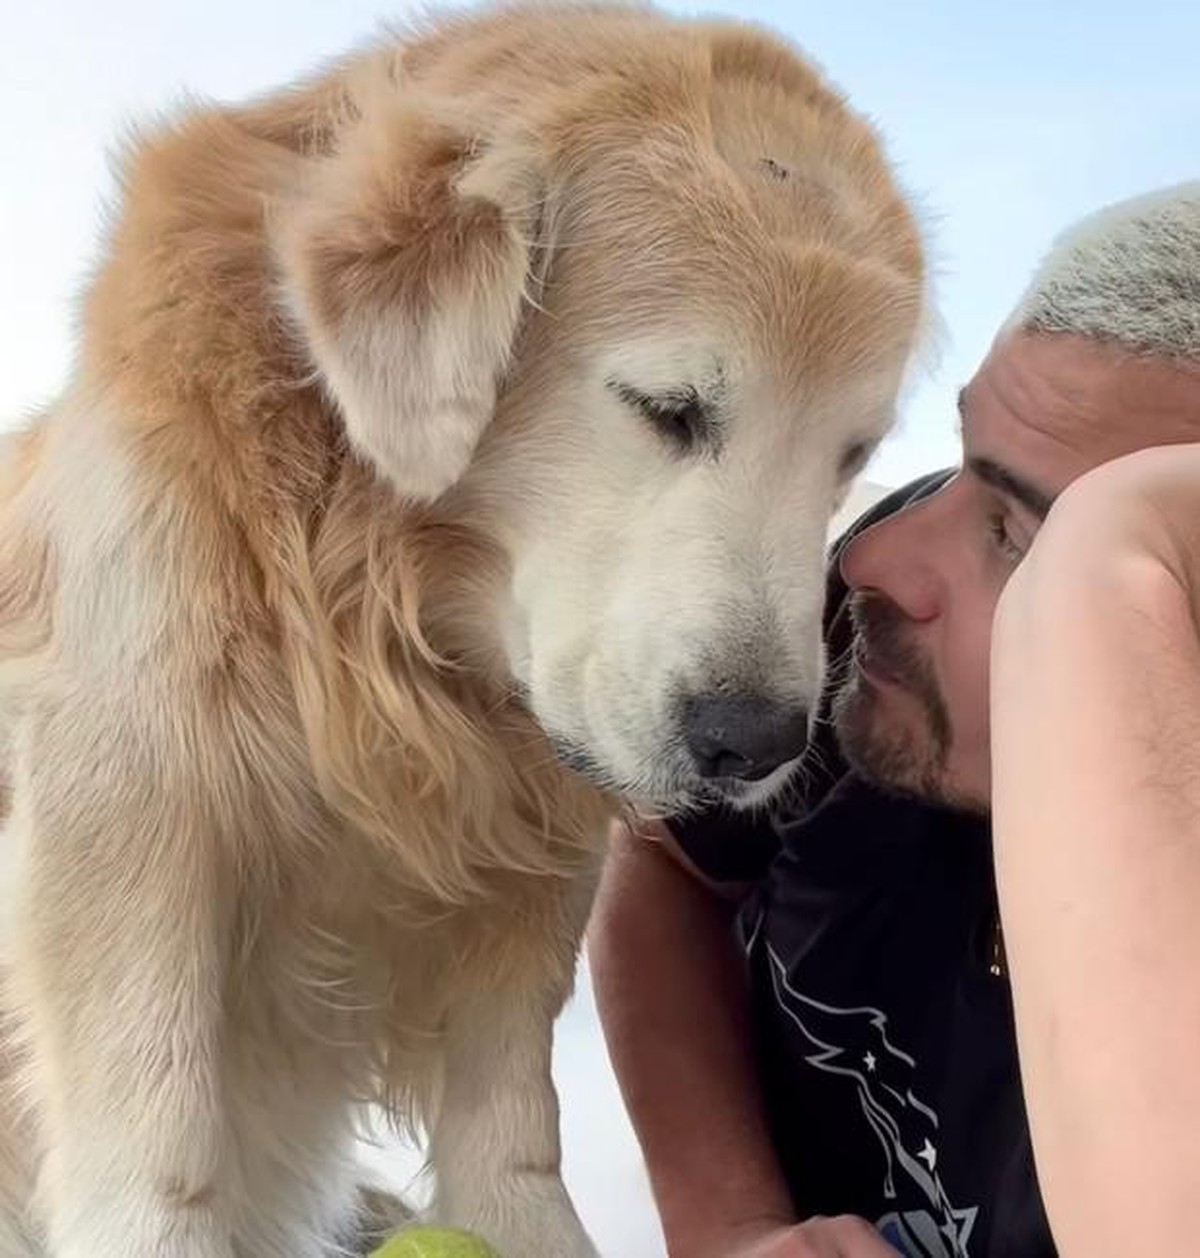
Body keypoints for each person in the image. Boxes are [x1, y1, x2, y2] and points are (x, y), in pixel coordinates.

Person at [588, 181, 1200, 1258]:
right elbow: (665, 862)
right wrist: (730, 1225)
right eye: (960, 466)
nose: (870, 560)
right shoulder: (880, 640)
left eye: (1015, 535)